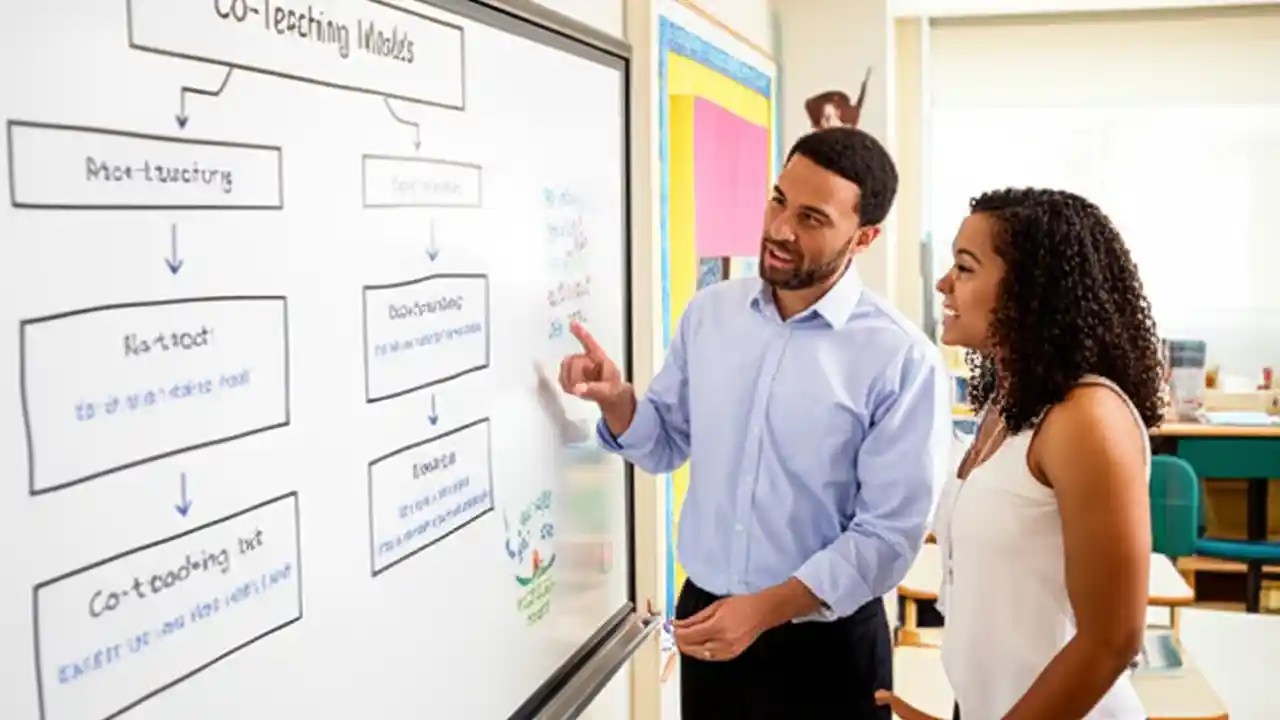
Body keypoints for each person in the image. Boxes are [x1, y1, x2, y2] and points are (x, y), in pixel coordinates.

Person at [558, 126, 951, 718]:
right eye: (777, 200)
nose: (780, 229)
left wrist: (765, 609)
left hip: (826, 642)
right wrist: (617, 399)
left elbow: (887, 537)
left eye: (812, 218)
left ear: (863, 236)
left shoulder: (900, 358)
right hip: (709, 619)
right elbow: (665, 442)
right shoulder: (712, 315)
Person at [886, 188, 1164, 719]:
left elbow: (1112, 639)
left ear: (1032, 292)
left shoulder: (1086, 418)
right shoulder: (1008, 406)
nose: (944, 283)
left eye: (965, 268)